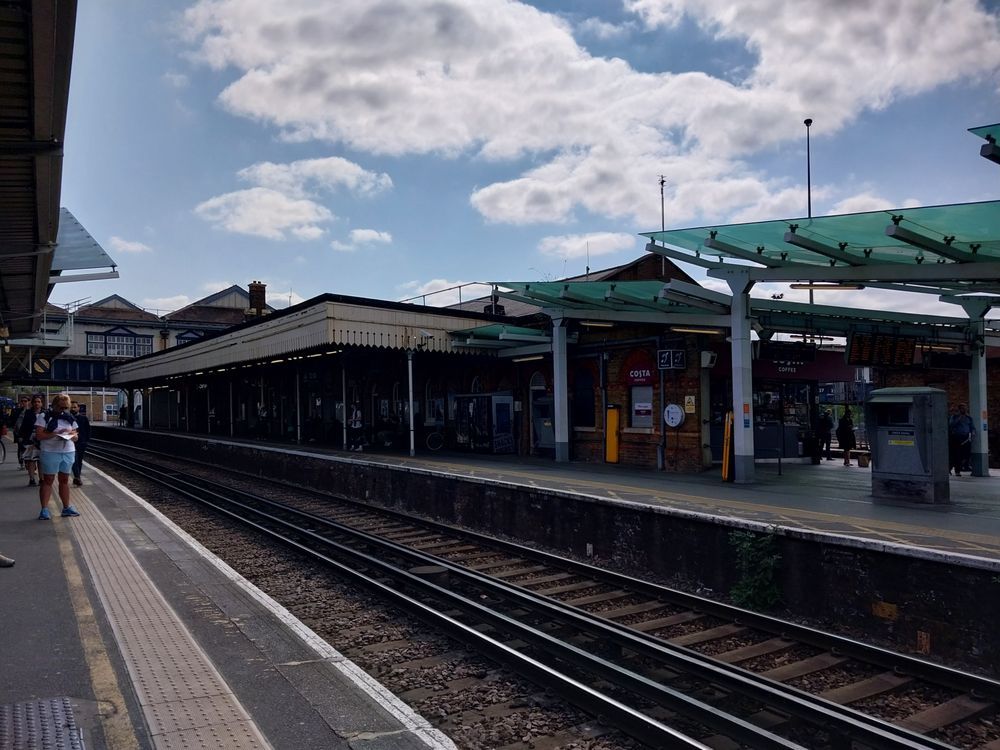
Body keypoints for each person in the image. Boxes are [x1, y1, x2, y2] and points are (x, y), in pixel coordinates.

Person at [35, 393, 80, 520]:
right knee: (48, 480)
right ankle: (44, 510)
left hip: (68, 451)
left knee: (64, 480)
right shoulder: (44, 416)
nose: (63, 410)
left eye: (66, 407)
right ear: (54, 405)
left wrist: (71, 435)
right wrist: (56, 434)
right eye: (61, 407)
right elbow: (39, 436)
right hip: (50, 451)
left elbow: (76, 437)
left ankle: (66, 508)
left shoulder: (69, 417)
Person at [18, 394, 45, 486]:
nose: (37, 403)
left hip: (42, 439)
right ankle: (32, 479)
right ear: (32, 403)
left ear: (42, 403)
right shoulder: (28, 413)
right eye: (35, 402)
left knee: (41, 460)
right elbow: (24, 425)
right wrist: (21, 437)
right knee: (31, 460)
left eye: (39, 402)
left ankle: (42, 479)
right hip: (30, 439)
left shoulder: (45, 413)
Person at [948, 403, 975, 477]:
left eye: (965, 408)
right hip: (956, 438)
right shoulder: (954, 416)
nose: (965, 410)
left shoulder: (969, 418)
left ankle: (965, 465)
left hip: (966, 438)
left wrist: (973, 432)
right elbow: (951, 425)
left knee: (966, 454)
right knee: (956, 455)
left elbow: (972, 427)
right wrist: (959, 418)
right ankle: (956, 470)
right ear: (959, 409)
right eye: (963, 408)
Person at [70, 401, 91, 486]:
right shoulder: (68, 418)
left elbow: (88, 430)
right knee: (74, 460)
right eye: (72, 407)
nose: (73, 409)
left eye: (75, 407)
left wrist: (86, 441)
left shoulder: (83, 418)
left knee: (79, 460)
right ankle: (77, 477)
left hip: (81, 442)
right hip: (71, 443)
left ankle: (77, 476)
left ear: (78, 408)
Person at [7, 394, 30, 468]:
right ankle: (21, 463)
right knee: (21, 447)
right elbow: (11, 420)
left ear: (28, 402)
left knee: (28, 448)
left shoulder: (30, 411)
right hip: (18, 432)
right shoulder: (16, 411)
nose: (23, 402)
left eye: (25, 401)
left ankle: (28, 464)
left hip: (28, 432)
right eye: (22, 401)